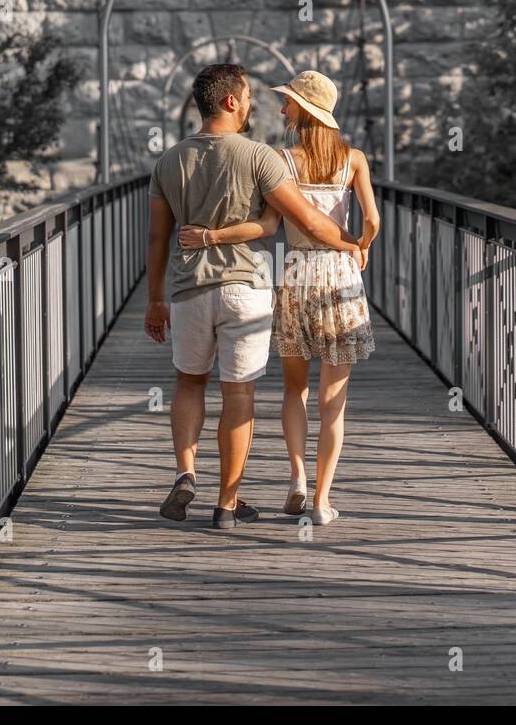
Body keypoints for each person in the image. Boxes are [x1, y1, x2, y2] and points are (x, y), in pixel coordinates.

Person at [145, 63, 365, 530]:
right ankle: (227, 504)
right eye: (247, 97)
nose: (252, 105)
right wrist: (352, 243)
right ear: (229, 102)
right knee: (238, 393)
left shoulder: (168, 161)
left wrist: (154, 300)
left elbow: (157, 240)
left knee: (188, 382)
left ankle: (186, 471)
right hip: (246, 288)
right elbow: (307, 220)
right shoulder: (260, 156)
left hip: (187, 290)